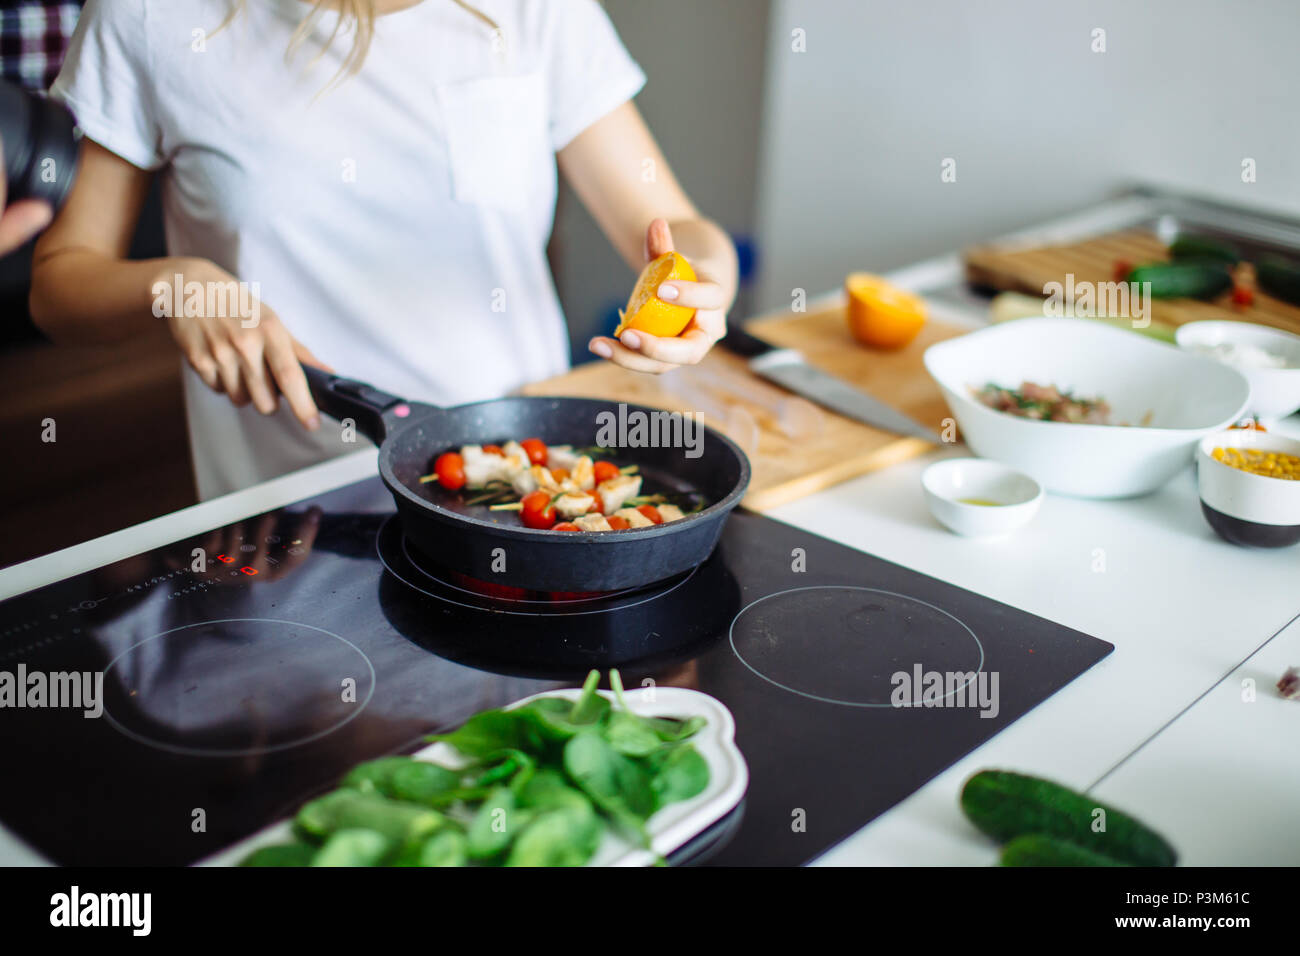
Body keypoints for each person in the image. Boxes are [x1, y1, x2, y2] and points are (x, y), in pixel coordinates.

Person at [30, 0, 738, 499]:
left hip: (529, 492)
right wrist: (179, 284)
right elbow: (60, 285)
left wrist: (702, 290)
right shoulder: (147, 16)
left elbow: (678, 227)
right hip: (287, 528)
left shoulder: (540, 11)